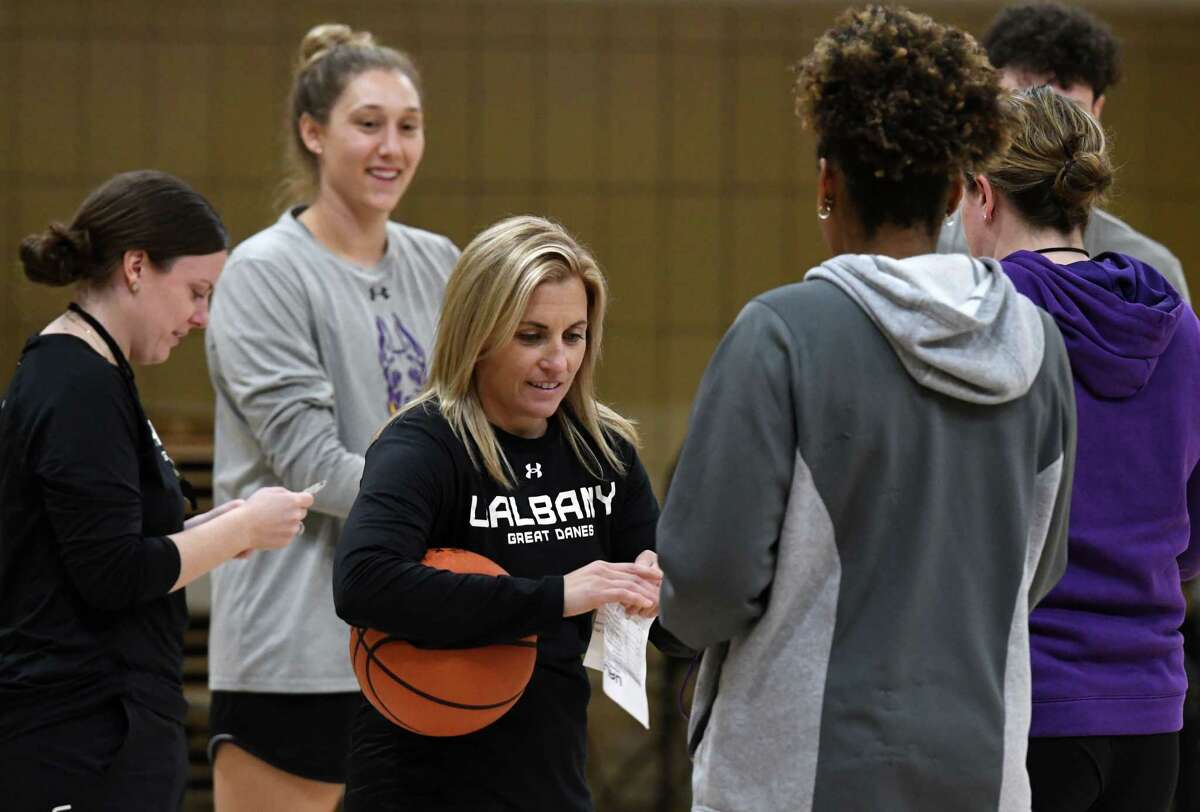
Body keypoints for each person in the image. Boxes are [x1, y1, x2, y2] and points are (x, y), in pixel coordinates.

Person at [656, 7, 1078, 811]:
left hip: (800, 773)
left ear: (826, 179)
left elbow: (706, 583)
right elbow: (1038, 568)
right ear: (958, 189)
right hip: (984, 770)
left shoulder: (778, 334)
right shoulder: (1040, 345)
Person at [333, 215, 690, 811]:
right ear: (477, 333)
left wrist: (661, 592)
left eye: (573, 335)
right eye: (531, 336)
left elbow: (674, 629)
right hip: (418, 788)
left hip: (549, 782)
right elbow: (363, 582)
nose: (558, 361)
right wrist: (556, 596)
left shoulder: (604, 451)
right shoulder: (424, 444)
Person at [203, 23, 459, 811]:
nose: (393, 147)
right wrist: (469, 502)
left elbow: (479, 427)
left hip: (424, 638)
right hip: (298, 649)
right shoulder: (265, 273)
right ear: (313, 133)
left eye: (408, 125)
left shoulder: (442, 262)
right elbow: (314, 463)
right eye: (369, 123)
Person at [0, 170, 312, 811]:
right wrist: (242, 529)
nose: (202, 318)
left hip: (107, 727)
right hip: (78, 735)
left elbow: (97, 546)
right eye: (196, 292)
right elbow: (112, 573)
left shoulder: (96, 372)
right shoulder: (75, 383)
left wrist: (216, 534)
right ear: (136, 266)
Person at [960, 86, 1200, 812]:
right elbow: (1191, 537)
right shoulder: (1179, 326)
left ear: (982, 194)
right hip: (1153, 705)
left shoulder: (985, 316)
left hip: (1029, 696)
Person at [938, 1, 1190, 303]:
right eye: (1019, 106)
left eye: (1068, 111)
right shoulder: (930, 253)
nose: (1043, 128)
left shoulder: (1154, 275)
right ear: (989, 102)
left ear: (1097, 111)